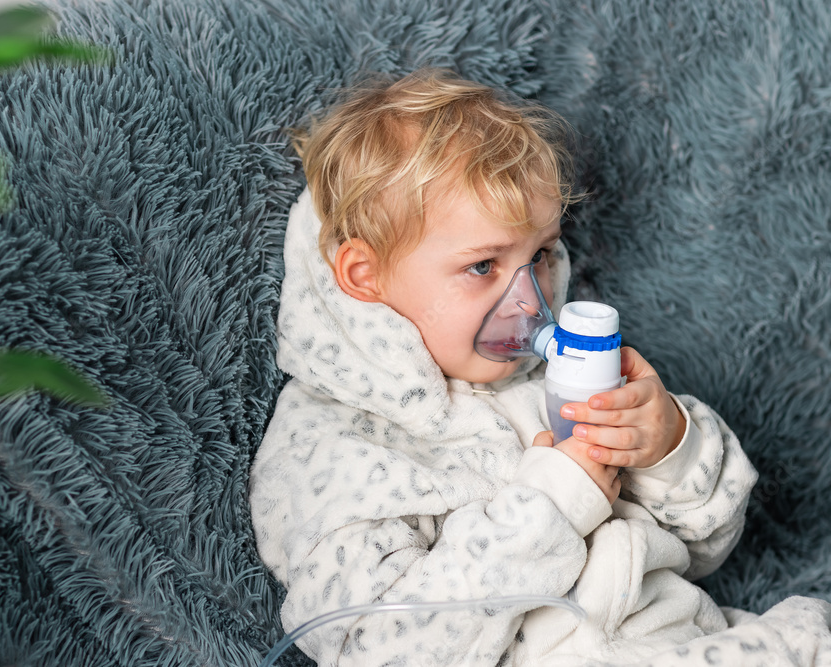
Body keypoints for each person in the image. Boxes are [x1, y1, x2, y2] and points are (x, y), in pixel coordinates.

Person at [250, 69, 831, 666]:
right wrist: (552, 504)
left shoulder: (548, 384)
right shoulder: (331, 451)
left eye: (542, 255)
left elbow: (706, 548)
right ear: (365, 276)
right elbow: (376, 647)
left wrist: (668, 446)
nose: (530, 299)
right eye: (483, 267)